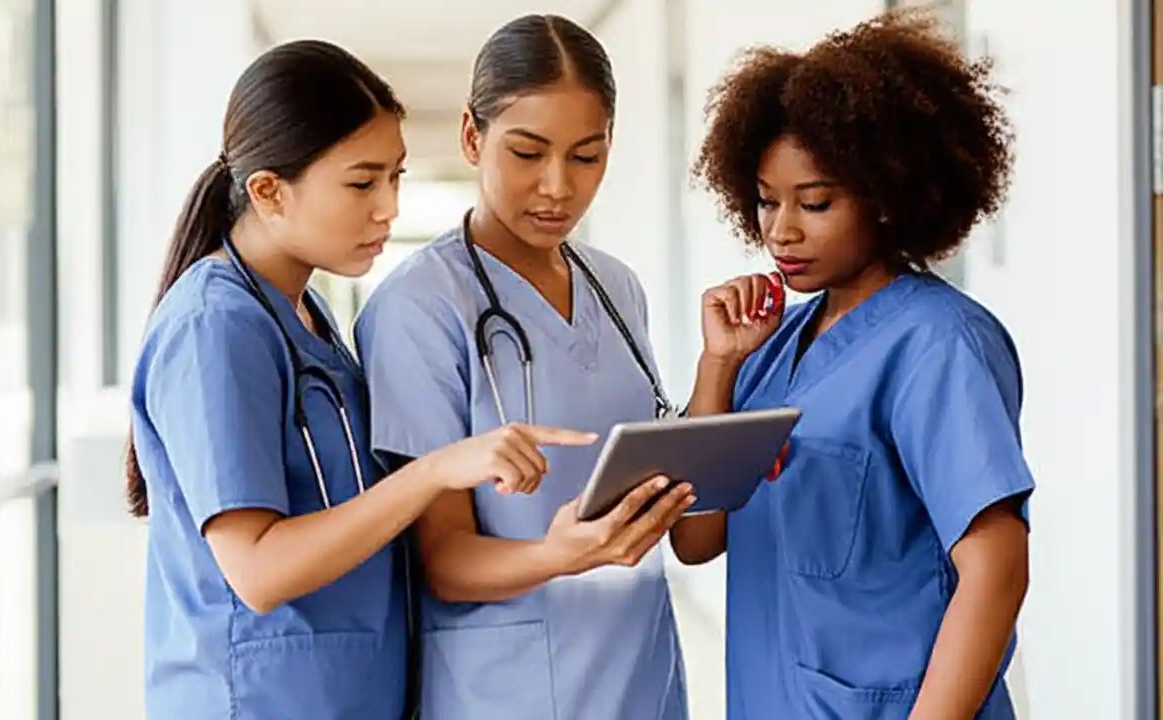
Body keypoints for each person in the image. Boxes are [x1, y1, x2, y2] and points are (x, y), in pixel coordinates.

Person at [125, 40, 599, 720]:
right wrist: (435, 471)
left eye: (395, 177)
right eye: (362, 183)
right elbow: (258, 571)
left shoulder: (307, 316)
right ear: (268, 191)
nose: (388, 208)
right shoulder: (215, 326)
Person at [673, 11, 1034, 720]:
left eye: (815, 202)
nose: (781, 230)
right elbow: (695, 538)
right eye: (766, 201)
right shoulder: (768, 347)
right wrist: (718, 366)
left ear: (888, 195)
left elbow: (996, 570)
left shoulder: (938, 344)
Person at [354, 14, 696, 720]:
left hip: (642, 677)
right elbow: (442, 562)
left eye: (586, 156)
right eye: (527, 152)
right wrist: (560, 554)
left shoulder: (617, 287)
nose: (557, 187)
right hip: (509, 694)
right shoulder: (420, 306)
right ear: (471, 137)